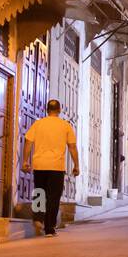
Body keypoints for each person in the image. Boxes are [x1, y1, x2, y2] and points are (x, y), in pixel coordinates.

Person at [21, 99, 79, 237]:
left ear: (47, 110)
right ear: (59, 110)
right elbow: (72, 147)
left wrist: (24, 161)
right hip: (56, 166)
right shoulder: (65, 126)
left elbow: (28, 142)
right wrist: (76, 165)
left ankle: (38, 218)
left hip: (40, 164)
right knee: (53, 197)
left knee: (39, 192)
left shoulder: (38, 124)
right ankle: (49, 228)